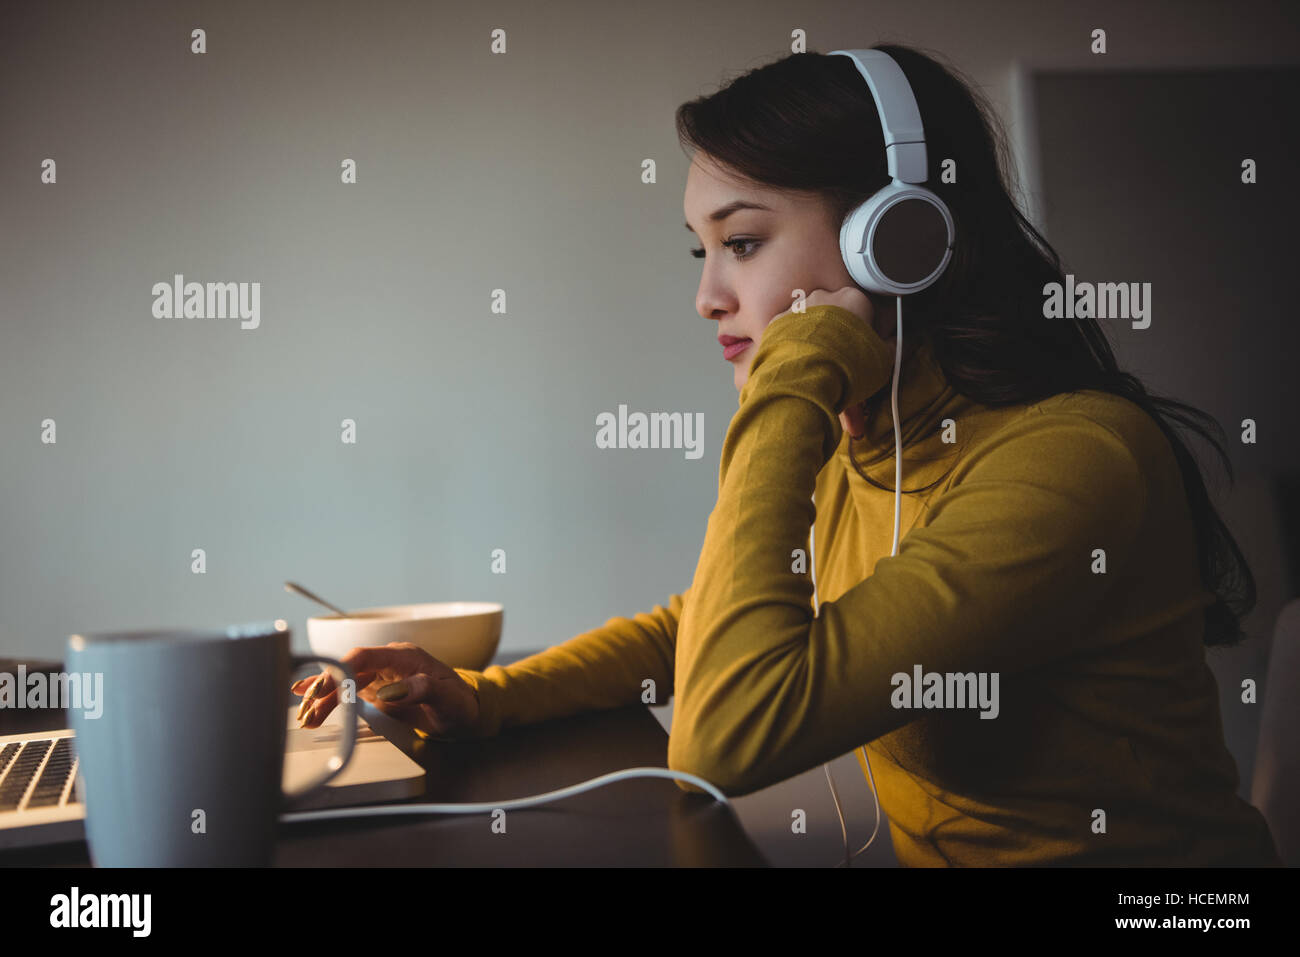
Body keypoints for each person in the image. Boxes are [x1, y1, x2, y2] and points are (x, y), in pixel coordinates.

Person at [294, 43, 1282, 867]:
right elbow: (698, 627)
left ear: (896, 241)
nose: (707, 296)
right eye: (700, 250)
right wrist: (485, 699)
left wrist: (795, 376)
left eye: (745, 242)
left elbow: (724, 735)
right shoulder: (872, 437)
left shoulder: (1073, 460)